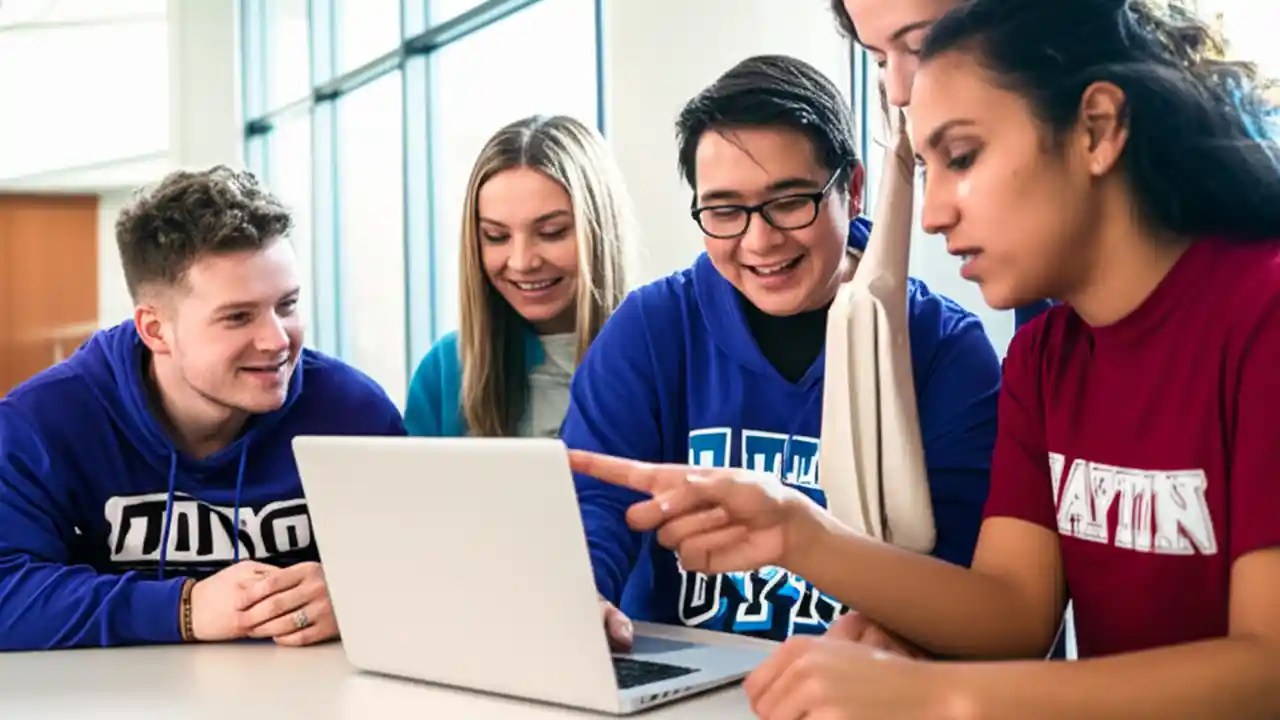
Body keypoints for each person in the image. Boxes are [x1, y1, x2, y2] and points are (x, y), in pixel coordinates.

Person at [571, 0, 1280, 716]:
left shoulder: (1259, 317)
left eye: (963, 158)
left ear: (1096, 129)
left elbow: (1268, 668)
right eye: (926, 166)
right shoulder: (1041, 356)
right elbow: (1014, 611)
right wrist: (796, 531)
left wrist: (939, 692)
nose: (934, 214)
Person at [565, 54, 1002, 650]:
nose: (760, 240)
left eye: (789, 201)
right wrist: (581, 596)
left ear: (852, 187)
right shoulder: (651, 331)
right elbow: (594, 504)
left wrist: (888, 645)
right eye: (724, 211)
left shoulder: (942, 349)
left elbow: (966, 580)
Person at [0, 166, 405, 651]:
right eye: (238, 317)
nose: (278, 340)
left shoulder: (353, 414)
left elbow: (424, 570)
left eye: (287, 305)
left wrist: (358, 597)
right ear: (154, 330)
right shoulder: (41, 424)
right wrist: (184, 609)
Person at [404, 114, 633, 438]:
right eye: (497, 236)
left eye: (552, 232)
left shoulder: (666, 357)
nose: (522, 261)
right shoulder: (446, 369)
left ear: (600, 231)